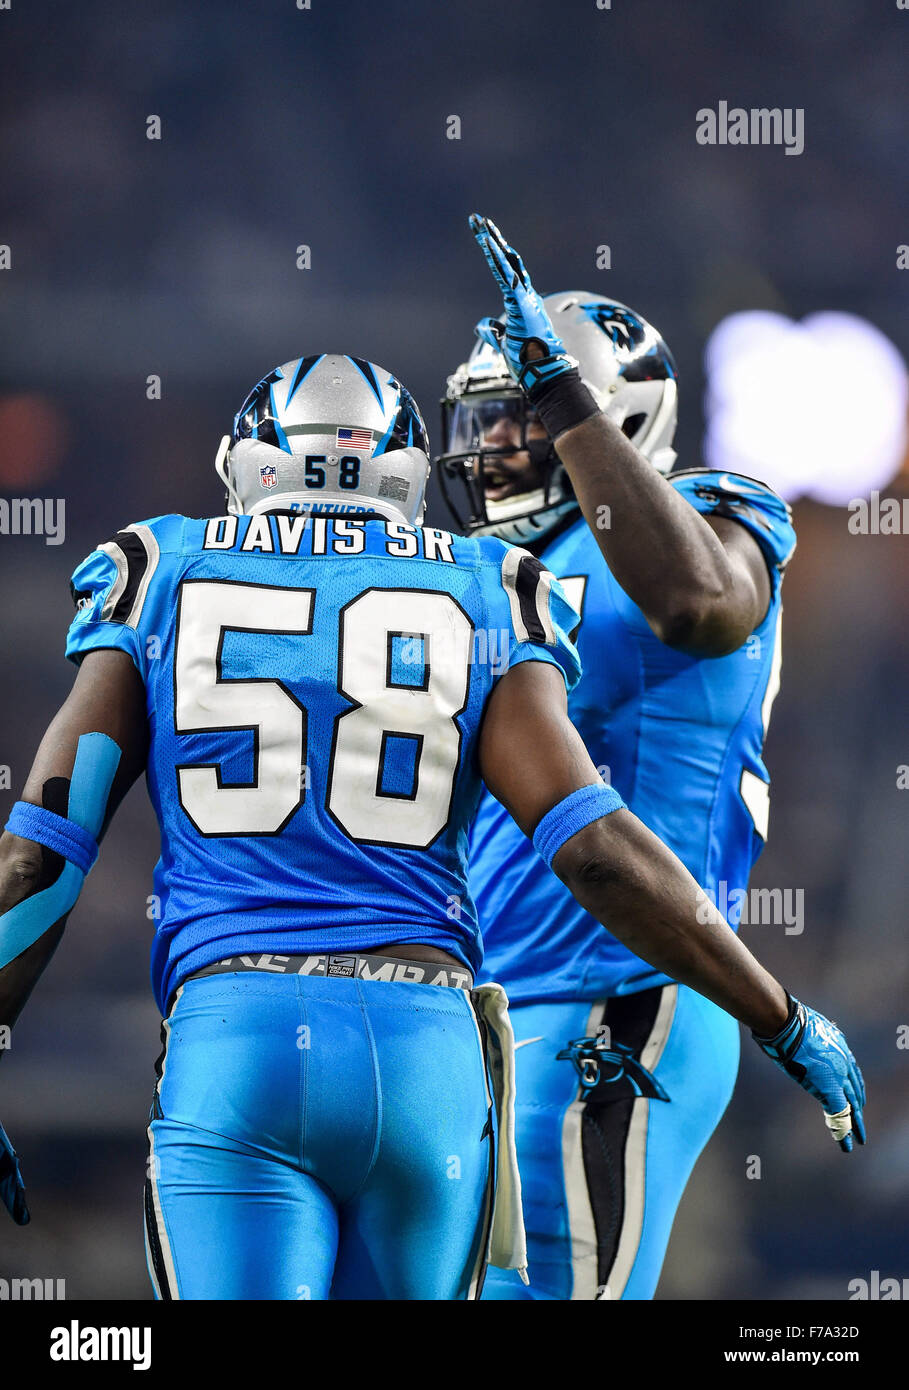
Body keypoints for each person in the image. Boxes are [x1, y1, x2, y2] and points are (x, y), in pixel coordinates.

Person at [0, 348, 862, 1302]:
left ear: (247, 464)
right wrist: (779, 1018)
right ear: (409, 474)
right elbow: (595, 850)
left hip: (236, 1036)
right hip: (428, 1055)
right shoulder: (489, 583)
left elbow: (41, 851)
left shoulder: (161, 567)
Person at [436, 214, 865, 1301]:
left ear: (606, 414)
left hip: (621, 988)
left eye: (517, 417)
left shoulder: (716, 511)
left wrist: (565, 399)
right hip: (477, 1011)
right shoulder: (483, 576)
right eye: (482, 421)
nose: (488, 447)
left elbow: (699, 607)